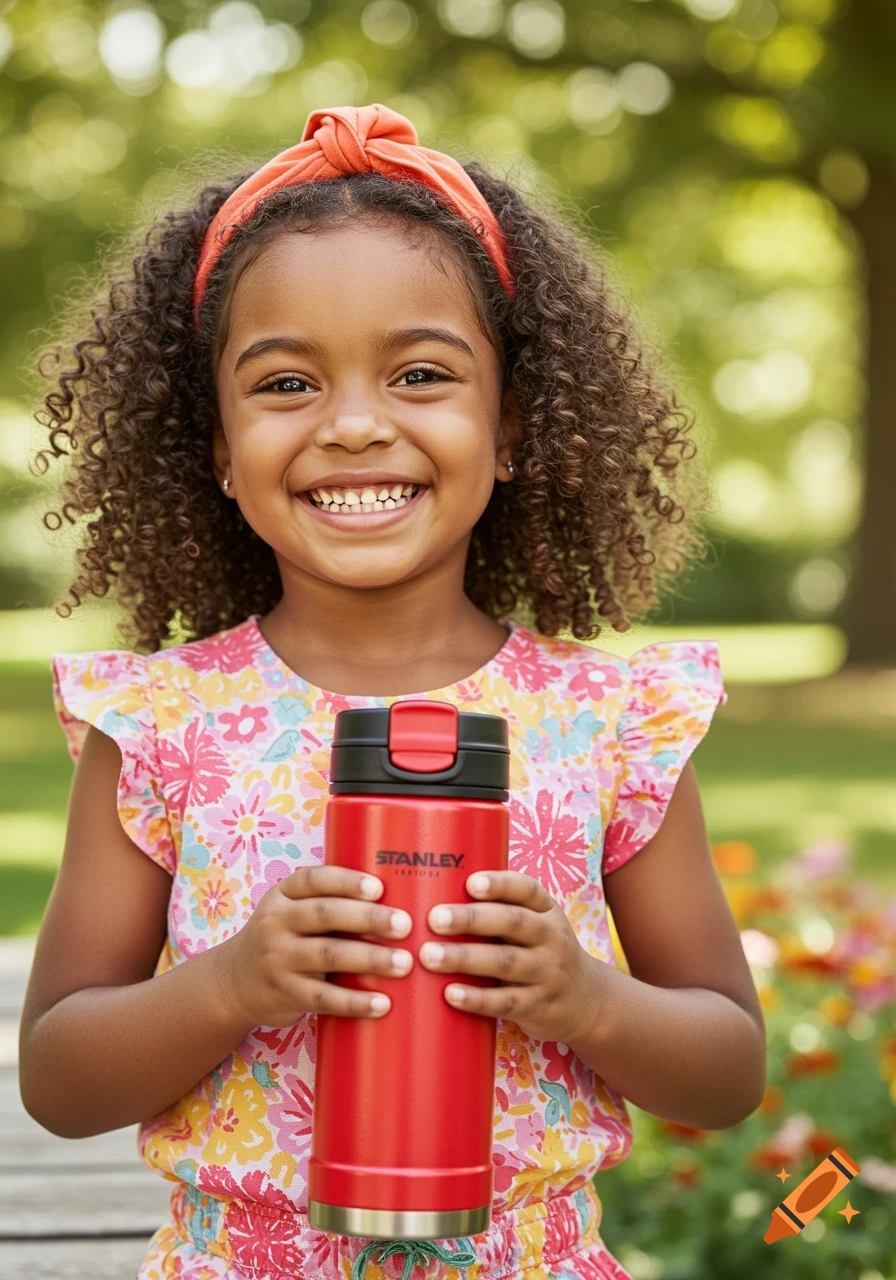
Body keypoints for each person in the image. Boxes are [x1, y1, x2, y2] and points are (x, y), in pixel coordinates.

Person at [19, 104, 766, 1280]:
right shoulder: (162, 728)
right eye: (283, 383)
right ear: (214, 443)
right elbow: (60, 1078)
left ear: (511, 425)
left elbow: (725, 1068)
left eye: (420, 373)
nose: (355, 423)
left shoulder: (607, 724)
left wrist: (582, 996)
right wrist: (230, 984)